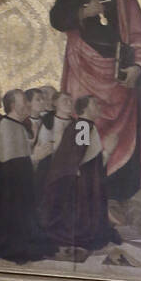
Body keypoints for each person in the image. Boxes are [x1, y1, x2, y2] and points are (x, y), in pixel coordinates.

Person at [49, 0, 141, 202]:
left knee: (120, 139)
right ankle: (79, 195)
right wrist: (82, 13)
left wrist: (138, 66)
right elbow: (56, 18)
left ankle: (114, 196)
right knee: (83, 130)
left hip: (118, 77)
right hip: (84, 69)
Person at [0, 89, 58, 263]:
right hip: (1, 192)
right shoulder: (5, 124)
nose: (27, 105)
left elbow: (19, 160)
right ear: (13, 105)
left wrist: (34, 157)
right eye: (23, 102)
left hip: (15, 187)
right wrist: (35, 157)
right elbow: (8, 164)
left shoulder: (17, 125)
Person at [38, 95, 119, 254]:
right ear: (86, 108)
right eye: (95, 104)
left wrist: (105, 154)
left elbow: (85, 156)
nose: (98, 107)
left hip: (82, 178)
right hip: (79, 181)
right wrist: (107, 152)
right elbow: (78, 155)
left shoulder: (85, 125)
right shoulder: (82, 125)